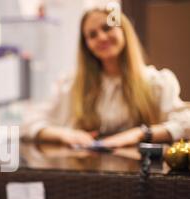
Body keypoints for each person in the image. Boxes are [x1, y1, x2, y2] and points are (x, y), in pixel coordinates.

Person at [22, 8, 190, 148]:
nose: (101, 37)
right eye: (92, 35)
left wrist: (139, 134)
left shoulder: (157, 82)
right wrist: (65, 135)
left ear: (123, 30)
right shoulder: (71, 85)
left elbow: (186, 124)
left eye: (107, 28)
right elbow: (28, 123)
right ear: (86, 45)